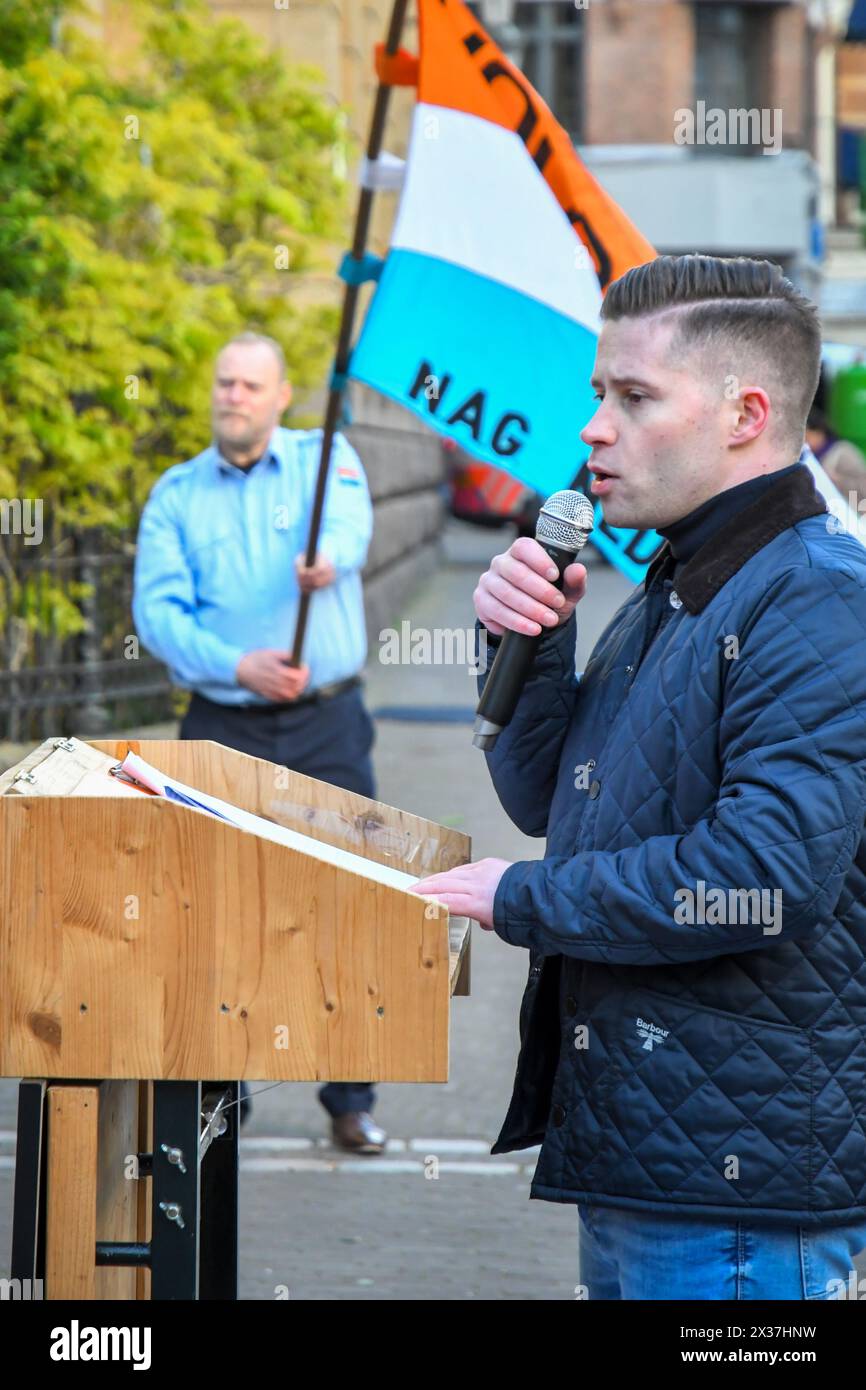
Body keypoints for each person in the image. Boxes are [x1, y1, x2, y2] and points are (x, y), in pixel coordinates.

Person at [410, 255, 866, 1299]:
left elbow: (766, 873)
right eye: (594, 394)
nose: (591, 429)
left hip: (739, 1198)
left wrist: (521, 898)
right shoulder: (676, 580)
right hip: (646, 1153)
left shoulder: (810, 598)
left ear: (742, 412)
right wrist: (528, 645)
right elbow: (550, 802)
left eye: (631, 397)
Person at [132, 331, 387, 1155]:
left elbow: (351, 525)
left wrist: (328, 562)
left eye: (250, 384)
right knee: (208, 911)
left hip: (326, 720)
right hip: (221, 724)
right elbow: (159, 614)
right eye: (224, 382)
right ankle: (220, 1095)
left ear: (281, 397)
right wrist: (236, 663)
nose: (233, 396)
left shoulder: (326, 461)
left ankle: (350, 1100)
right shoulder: (175, 495)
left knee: (349, 903)